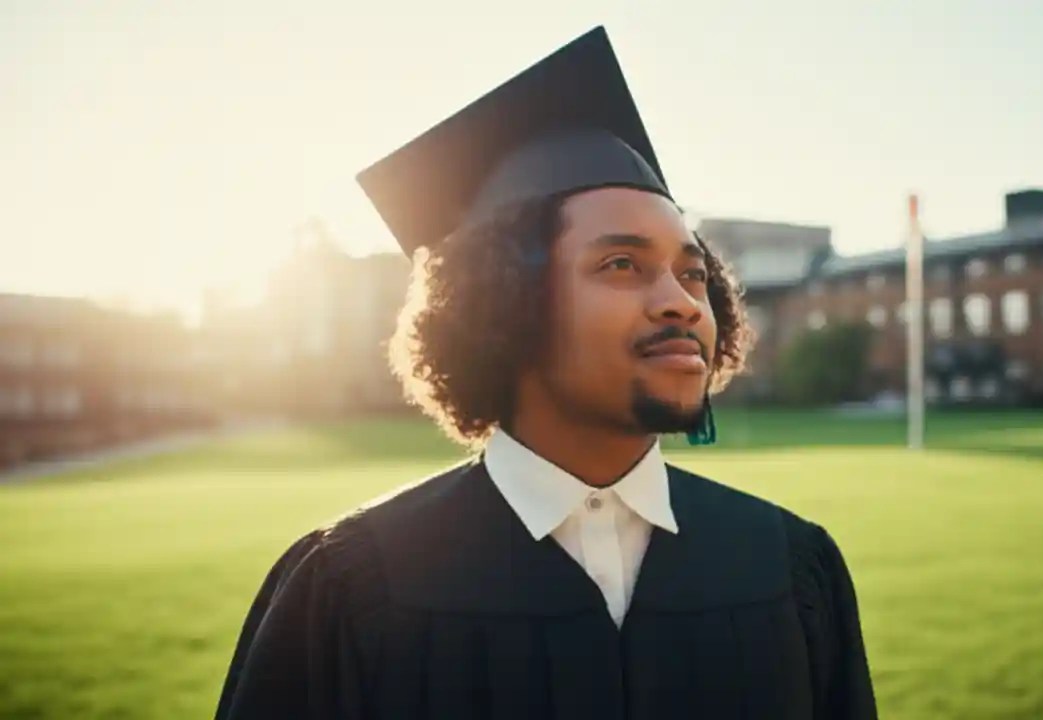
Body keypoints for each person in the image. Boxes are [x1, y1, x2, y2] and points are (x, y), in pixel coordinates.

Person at [215, 26, 876, 720]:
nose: (682, 303)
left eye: (694, 273)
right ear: (502, 303)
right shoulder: (352, 587)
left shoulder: (788, 567)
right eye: (621, 264)